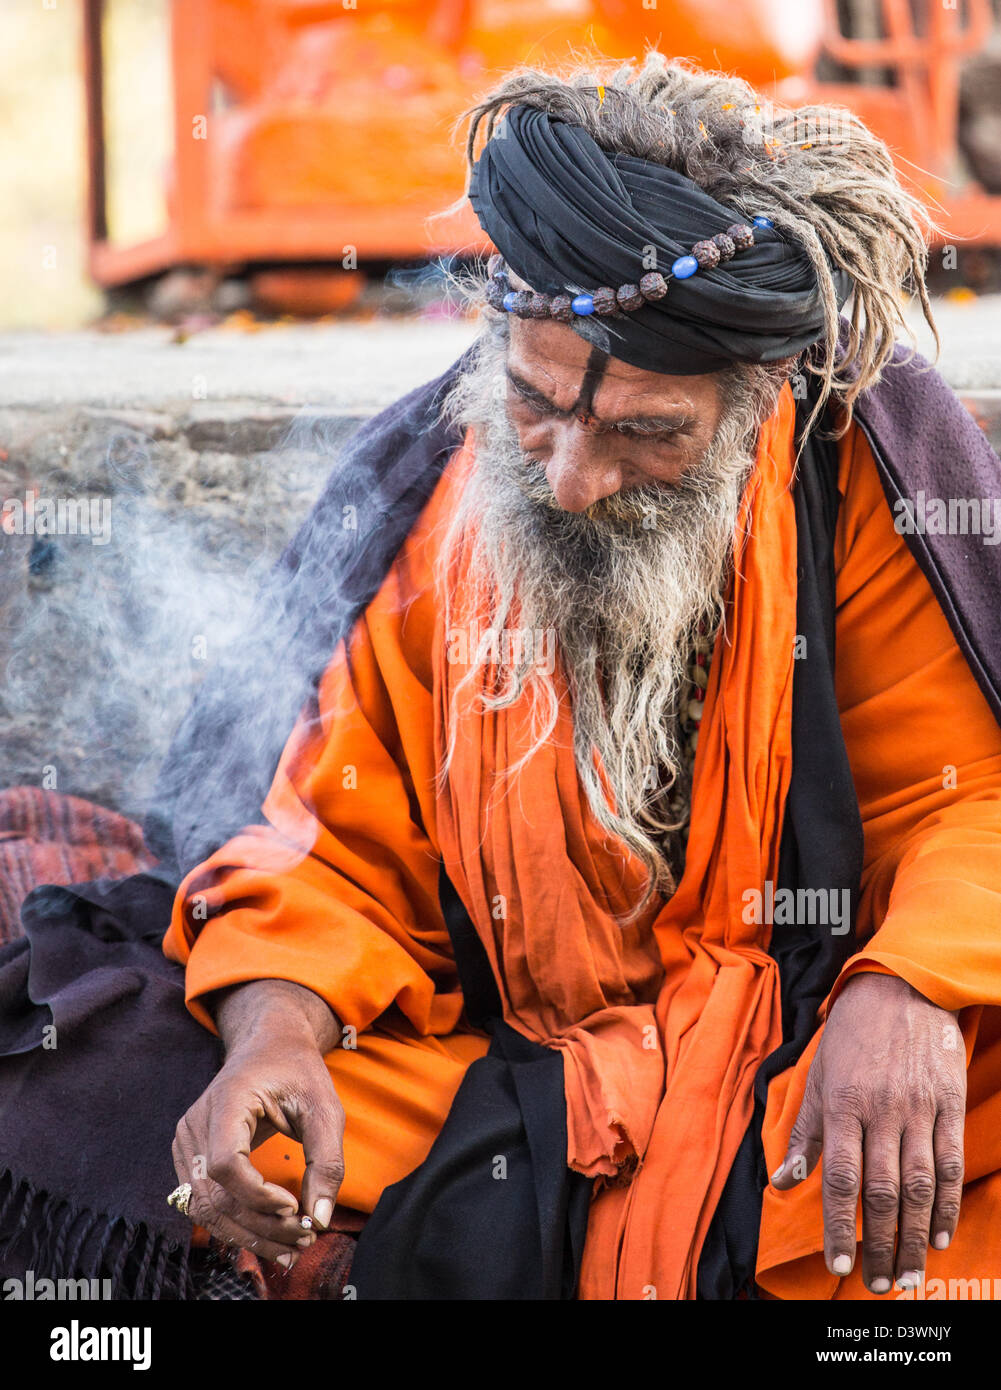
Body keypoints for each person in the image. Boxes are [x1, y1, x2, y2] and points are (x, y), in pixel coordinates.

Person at [3, 52, 1001, 1301]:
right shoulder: (451, 491)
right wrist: (279, 1031)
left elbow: (964, 800)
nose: (571, 476)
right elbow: (335, 849)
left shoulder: (851, 462)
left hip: (802, 1053)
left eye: (646, 432)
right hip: (507, 1061)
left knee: (929, 1153)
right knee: (106, 1093)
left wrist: (907, 987)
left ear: (752, 404)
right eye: (537, 407)